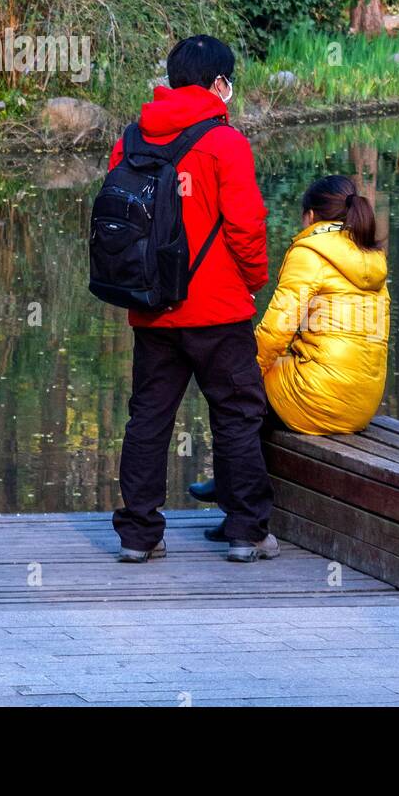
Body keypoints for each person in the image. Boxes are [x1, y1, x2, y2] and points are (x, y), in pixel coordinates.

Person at [110, 35, 278, 565]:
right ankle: (246, 533)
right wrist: (252, 280)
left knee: (149, 419)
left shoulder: (133, 137)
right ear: (220, 83)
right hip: (219, 308)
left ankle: (139, 536)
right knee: (237, 414)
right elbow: (247, 226)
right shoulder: (226, 143)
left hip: (151, 304)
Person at [189, 175, 391, 523]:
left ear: (311, 216)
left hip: (319, 397)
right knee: (256, 393)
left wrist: (244, 370)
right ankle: (230, 486)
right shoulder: (371, 256)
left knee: (233, 393)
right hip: (362, 402)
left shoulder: (311, 252)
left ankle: (235, 505)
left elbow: (276, 330)